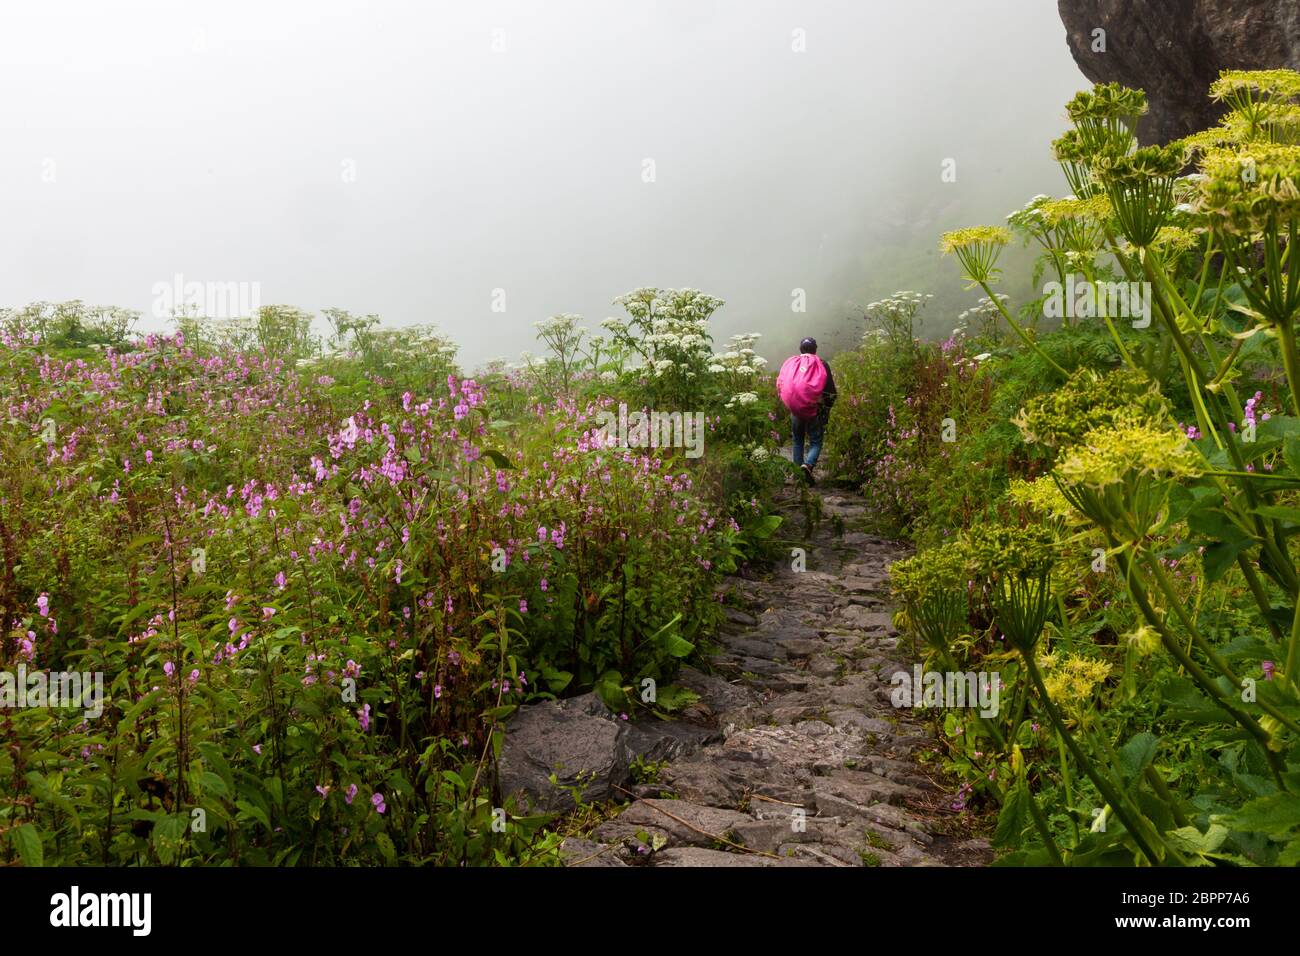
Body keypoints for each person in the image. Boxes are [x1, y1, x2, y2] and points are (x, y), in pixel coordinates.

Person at [776, 336, 836, 485]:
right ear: (815, 349)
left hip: (795, 409)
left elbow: (781, 383)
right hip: (814, 408)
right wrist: (828, 406)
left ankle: (798, 474)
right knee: (816, 441)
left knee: (797, 440)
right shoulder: (821, 364)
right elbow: (830, 391)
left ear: (800, 349)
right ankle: (808, 465)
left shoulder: (791, 364)